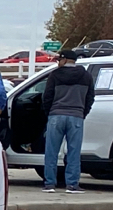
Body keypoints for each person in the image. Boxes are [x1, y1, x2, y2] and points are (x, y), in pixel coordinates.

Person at [40, 50, 96, 193]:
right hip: (76, 116)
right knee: (74, 152)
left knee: (51, 151)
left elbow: (47, 97)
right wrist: (83, 113)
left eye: (59, 60)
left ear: (64, 60)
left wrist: (49, 113)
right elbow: (90, 97)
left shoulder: (55, 75)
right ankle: (72, 184)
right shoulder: (86, 76)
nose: (58, 62)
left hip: (56, 115)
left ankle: (49, 184)